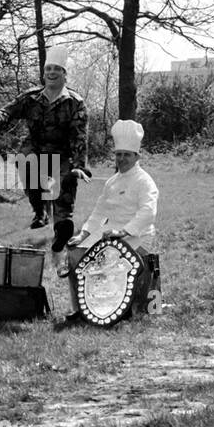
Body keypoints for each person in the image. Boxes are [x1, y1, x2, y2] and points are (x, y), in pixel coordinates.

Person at [0, 43, 92, 252]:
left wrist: (79, 165)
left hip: (62, 153)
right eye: (48, 69)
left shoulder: (75, 103)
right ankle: (40, 212)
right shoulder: (31, 97)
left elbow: (79, 136)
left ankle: (62, 228)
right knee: (25, 162)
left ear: (64, 74)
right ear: (44, 74)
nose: (52, 73)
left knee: (64, 184)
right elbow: (5, 113)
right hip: (35, 150)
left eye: (57, 69)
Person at [65, 119, 158, 320]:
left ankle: (112, 307)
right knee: (75, 253)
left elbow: (148, 213)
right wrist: (83, 235)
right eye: (118, 155)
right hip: (110, 234)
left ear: (136, 156)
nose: (122, 159)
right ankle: (81, 309)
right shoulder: (112, 182)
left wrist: (123, 232)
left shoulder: (144, 181)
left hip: (137, 237)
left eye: (126, 155)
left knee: (110, 259)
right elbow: (99, 212)